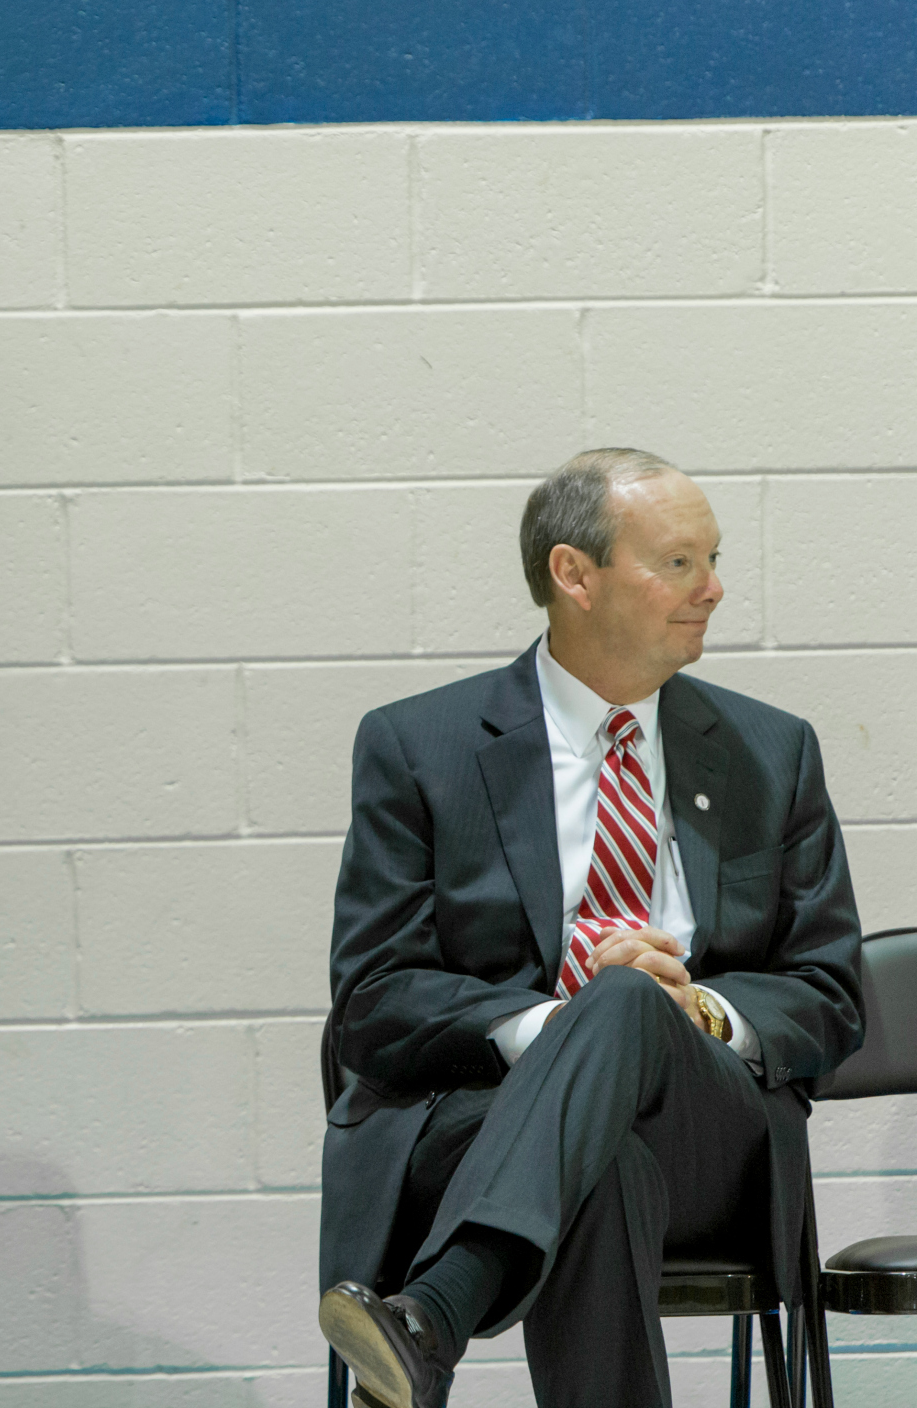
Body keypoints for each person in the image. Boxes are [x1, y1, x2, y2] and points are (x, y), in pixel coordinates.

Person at [315, 448, 865, 1408]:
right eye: (680, 563)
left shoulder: (770, 751)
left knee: (623, 1003)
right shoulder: (419, 748)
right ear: (574, 575)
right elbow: (373, 999)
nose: (715, 589)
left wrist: (691, 1008)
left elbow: (828, 991)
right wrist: (552, 1030)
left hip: (710, 1128)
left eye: (714, 559)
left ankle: (437, 1312)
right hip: (482, 1117)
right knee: (602, 1160)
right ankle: (443, 1305)